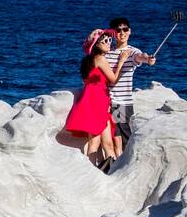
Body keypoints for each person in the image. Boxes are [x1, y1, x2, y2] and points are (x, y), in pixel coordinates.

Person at [64, 29, 132, 170]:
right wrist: (121, 61)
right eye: (105, 41)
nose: (109, 43)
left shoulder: (88, 61)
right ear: (96, 45)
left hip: (97, 103)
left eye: (109, 40)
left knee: (106, 142)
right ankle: (93, 174)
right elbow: (113, 79)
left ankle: (109, 171)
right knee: (95, 142)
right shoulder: (100, 59)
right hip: (96, 104)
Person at [103, 17, 155, 154]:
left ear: (129, 31)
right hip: (106, 102)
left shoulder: (131, 52)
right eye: (118, 30)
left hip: (121, 103)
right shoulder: (108, 51)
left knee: (124, 140)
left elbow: (140, 57)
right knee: (112, 140)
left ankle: (124, 170)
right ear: (113, 33)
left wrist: (147, 59)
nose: (122, 32)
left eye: (125, 29)